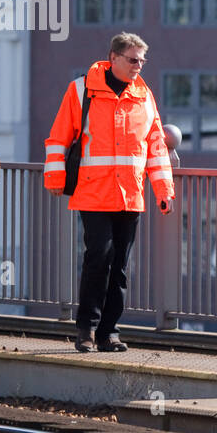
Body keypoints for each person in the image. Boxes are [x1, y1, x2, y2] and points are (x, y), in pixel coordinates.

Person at [44, 34, 175, 353]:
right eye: (133, 60)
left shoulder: (144, 96)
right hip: (94, 190)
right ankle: (86, 329)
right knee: (97, 259)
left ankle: (109, 332)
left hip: (129, 194)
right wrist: (55, 177)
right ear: (113, 57)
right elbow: (60, 135)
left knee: (119, 266)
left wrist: (163, 189)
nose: (138, 66)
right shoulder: (81, 89)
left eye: (143, 61)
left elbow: (155, 147)